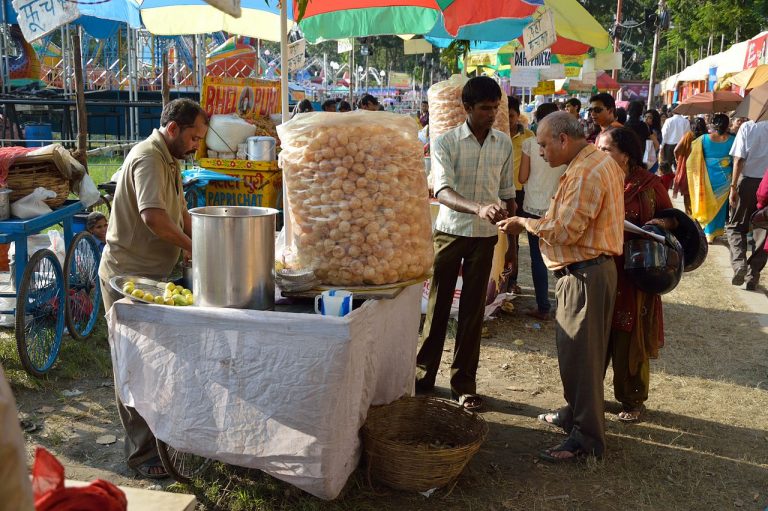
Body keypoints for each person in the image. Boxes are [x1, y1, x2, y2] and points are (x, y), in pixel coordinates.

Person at [498, 112, 624, 461]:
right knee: (582, 356)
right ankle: (577, 415)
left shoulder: (586, 170)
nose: (539, 152)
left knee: (580, 358)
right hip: (591, 271)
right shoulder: (595, 162)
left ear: (563, 140)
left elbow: (566, 230)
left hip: (585, 274)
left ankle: (586, 439)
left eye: (542, 145)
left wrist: (524, 222)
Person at [98, 98, 208, 479]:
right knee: (133, 365)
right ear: (174, 129)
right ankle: (142, 455)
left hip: (153, 278)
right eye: (194, 137)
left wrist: (211, 246)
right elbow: (154, 218)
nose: (197, 145)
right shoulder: (148, 156)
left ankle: (158, 443)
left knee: (154, 364)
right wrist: (194, 249)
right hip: (127, 276)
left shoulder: (170, 160)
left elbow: (178, 216)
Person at [416, 76, 515, 412]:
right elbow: (441, 191)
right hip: (450, 232)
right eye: (485, 108)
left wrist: (512, 239)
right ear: (467, 108)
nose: (491, 113)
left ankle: (464, 385)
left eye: (495, 107)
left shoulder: (504, 143)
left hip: (485, 237)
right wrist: (478, 207)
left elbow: (507, 194)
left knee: (473, 314)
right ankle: (422, 376)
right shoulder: (445, 142)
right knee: (438, 307)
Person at [596, 127, 675, 422]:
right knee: (597, 332)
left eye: (605, 150)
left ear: (625, 155)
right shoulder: (595, 179)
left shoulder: (650, 185)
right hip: (602, 266)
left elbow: (672, 219)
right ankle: (590, 393)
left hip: (636, 272)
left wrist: (658, 224)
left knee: (631, 334)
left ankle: (632, 400)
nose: (598, 154)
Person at [517, 102, 564, 320]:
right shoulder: (566, 145)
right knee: (563, 257)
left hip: (533, 206)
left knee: (538, 258)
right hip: (559, 206)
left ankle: (543, 306)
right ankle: (566, 305)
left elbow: (522, 177)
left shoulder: (529, 144)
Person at [727, 119, 768, 290]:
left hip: (748, 182)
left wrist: (733, 186)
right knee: (763, 231)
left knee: (735, 227)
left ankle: (739, 264)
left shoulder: (748, 126)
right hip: (767, 182)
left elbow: (738, 160)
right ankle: (753, 275)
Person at [502, 95, 535, 295]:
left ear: (517, 115)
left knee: (514, 240)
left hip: (520, 192)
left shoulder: (529, 136)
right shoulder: (495, 134)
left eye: (511, 116)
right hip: (498, 192)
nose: (508, 121)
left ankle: (511, 280)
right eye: (504, 116)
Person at [673, 117, 708, 215]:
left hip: (688, 169)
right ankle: (698, 217)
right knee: (700, 194)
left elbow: (676, 150)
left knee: (688, 195)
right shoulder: (706, 137)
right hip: (702, 169)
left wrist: (678, 160)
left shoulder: (688, 135)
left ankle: (690, 217)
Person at [659, 108, 690, 176]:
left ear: (673, 112)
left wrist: (662, 146)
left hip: (669, 146)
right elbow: (688, 135)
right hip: (681, 146)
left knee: (667, 166)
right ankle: (677, 181)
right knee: (679, 166)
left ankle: (668, 181)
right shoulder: (686, 121)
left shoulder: (668, 121)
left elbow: (664, 134)